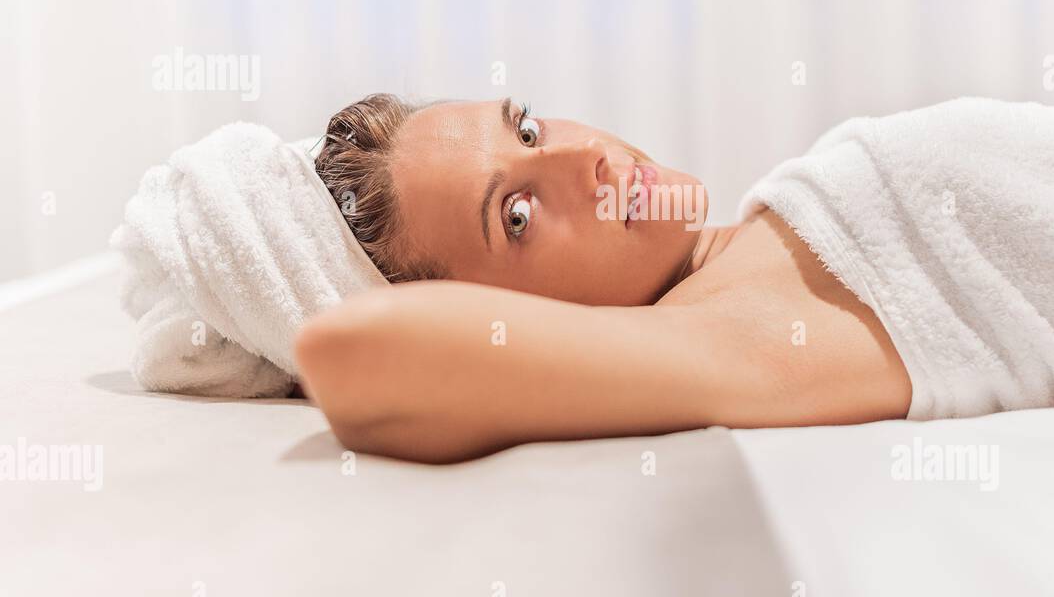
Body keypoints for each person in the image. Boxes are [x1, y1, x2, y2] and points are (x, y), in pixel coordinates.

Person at [295, 94, 912, 463]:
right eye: (517, 215)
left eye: (528, 130)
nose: (585, 156)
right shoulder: (726, 333)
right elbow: (353, 353)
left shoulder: (776, 218)